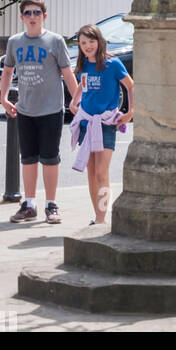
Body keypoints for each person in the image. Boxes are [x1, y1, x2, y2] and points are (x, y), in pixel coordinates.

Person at [0, 0, 79, 225]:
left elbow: (67, 74)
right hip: (25, 110)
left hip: (51, 111)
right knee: (28, 159)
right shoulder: (15, 42)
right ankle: (30, 204)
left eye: (36, 13)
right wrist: (4, 98)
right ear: (22, 17)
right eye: (28, 13)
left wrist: (77, 102)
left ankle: (51, 205)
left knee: (50, 159)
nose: (32, 17)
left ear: (44, 16)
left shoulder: (55, 41)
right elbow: (7, 72)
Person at [68, 23, 133, 225]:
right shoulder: (83, 65)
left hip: (105, 123)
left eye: (91, 41)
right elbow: (82, 84)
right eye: (83, 43)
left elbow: (130, 86)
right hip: (86, 123)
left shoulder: (112, 64)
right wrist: (73, 101)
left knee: (101, 173)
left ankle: (102, 218)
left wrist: (131, 112)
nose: (87, 46)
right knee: (90, 172)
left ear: (99, 41)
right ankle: (97, 216)